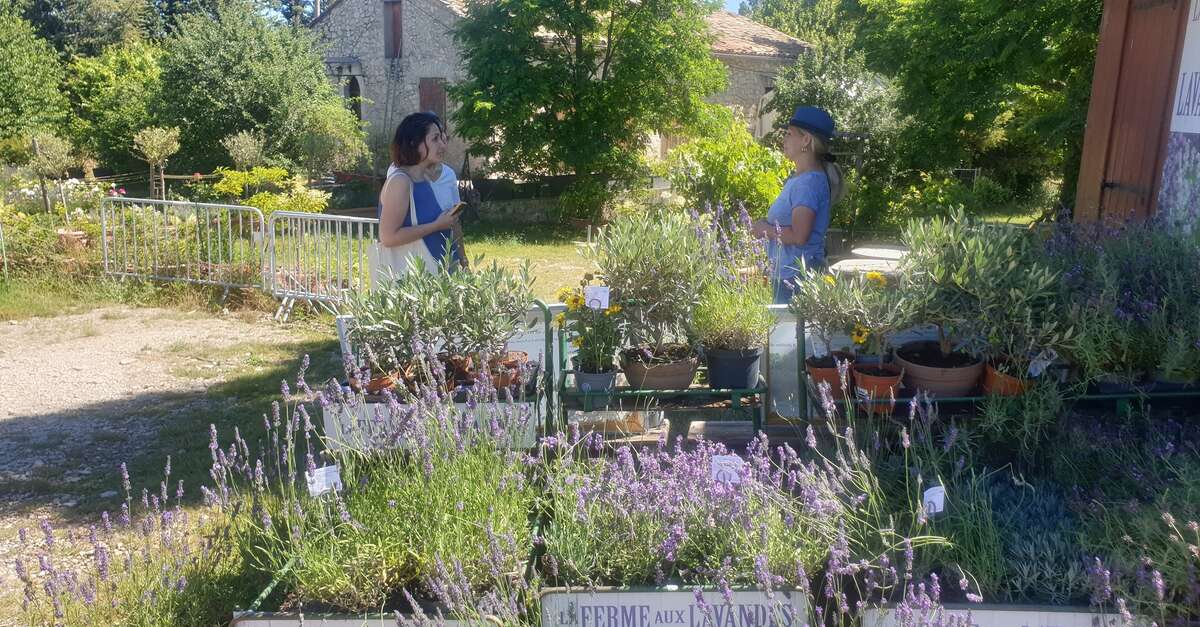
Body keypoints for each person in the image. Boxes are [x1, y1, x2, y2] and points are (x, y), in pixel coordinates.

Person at [753, 106, 845, 304]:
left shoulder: (808, 183)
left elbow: (799, 236)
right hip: (791, 276)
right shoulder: (801, 179)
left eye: (789, 134)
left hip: (797, 280)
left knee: (794, 335)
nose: (783, 140)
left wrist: (763, 229)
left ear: (806, 140)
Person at [376, 112, 466, 278]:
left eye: (442, 138)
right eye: (435, 139)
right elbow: (388, 237)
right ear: (414, 142)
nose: (443, 145)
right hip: (415, 281)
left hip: (439, 275)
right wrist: (436, 225)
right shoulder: (400, 181)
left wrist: (461, 258)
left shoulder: (423, 178)